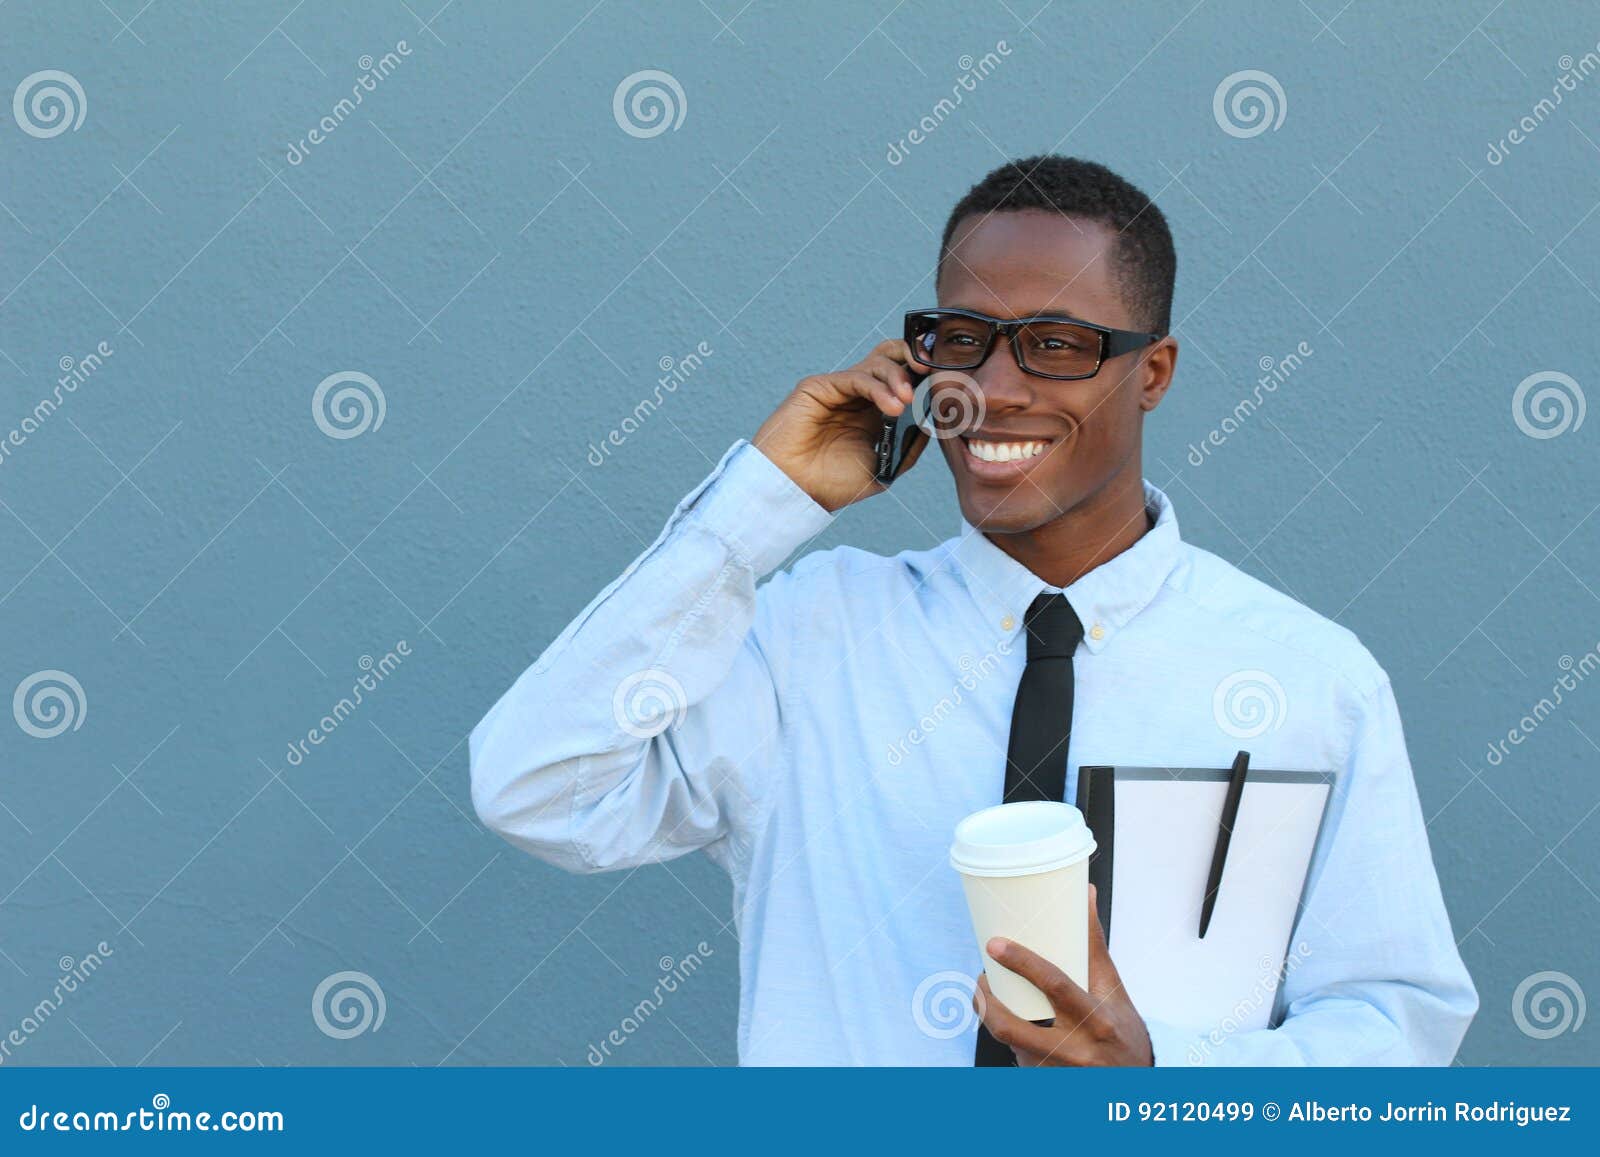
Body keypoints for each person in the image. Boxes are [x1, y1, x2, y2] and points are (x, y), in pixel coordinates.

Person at [469, 155, 1477, 1066]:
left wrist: (1163, 1076)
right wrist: (760, 506)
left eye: (1054, 344)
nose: (990, 389)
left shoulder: (1307, 680)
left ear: (1153, 372)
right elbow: (533, 784)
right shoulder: (806, 636)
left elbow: (1394, 1027)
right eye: (963, 339)